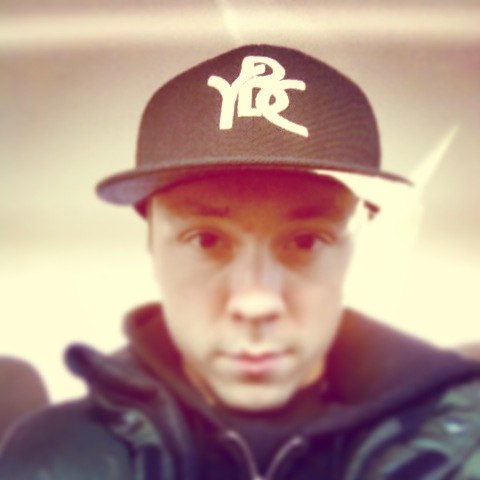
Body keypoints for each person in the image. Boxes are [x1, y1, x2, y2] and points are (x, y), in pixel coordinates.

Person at [1, 44, 479, 480]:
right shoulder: (54, 460)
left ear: (355, 247)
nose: (255, 301)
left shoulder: (459, 450)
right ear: (152, 245)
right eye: (206, 239)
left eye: (307, 241)